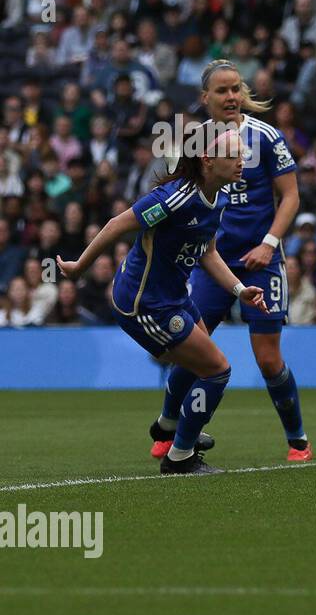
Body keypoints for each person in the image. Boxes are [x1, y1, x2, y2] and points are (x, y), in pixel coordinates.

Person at [56, 129, 267, 475]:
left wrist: (239, 289)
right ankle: (180, 456)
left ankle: (169, 426)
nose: (242, 162)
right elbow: (116, 225)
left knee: (200, 359)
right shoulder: (173, 199)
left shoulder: (220, 196)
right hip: (143, 303)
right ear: (208, 160)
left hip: (173, 296)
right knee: (217, 370)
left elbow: (208, 252)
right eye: (234, 156)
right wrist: (80, 267)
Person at [170, 60, 311, 462]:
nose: (231, 96)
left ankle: (297, 440)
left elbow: (291, 197)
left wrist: (268, 243)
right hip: (211, 262)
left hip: (260, 262)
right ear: (206, 98)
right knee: (192, 348)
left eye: (236, 89)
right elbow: (183, 198)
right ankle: (166, 430)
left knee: (268, 359)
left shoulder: (265, 136)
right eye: (222, 91)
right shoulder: (196, 142)